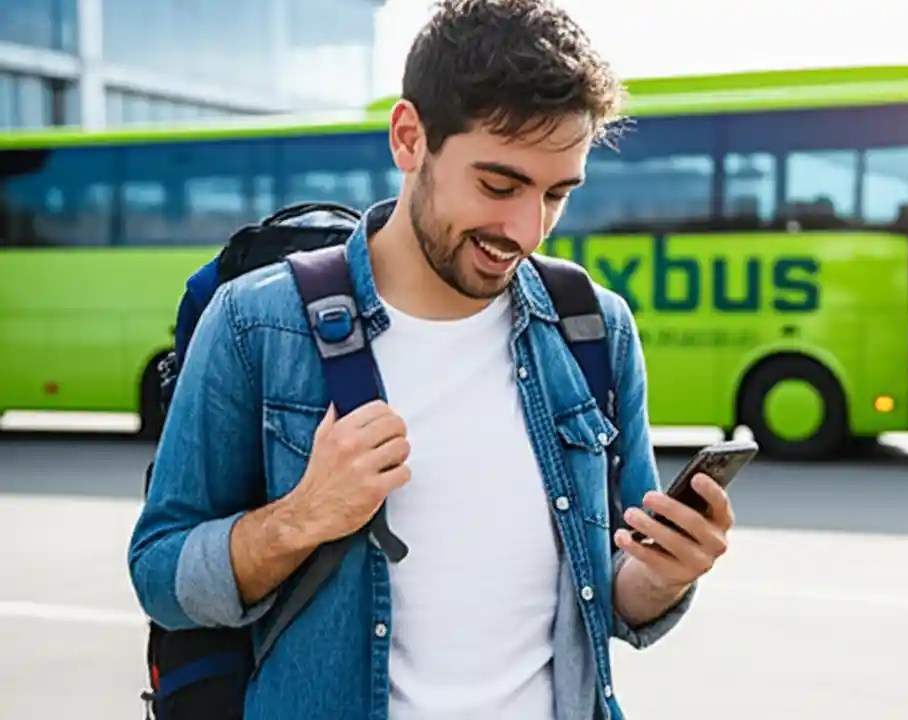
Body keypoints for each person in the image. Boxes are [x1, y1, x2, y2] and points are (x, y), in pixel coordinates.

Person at [126, 1, 736, 718]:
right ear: (410, 137)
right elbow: (160, 571)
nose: (525, 230)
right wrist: (300, 518)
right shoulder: (258, 324)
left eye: (557, 194)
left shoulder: (593, 328)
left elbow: (612, 596)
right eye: (499, 186)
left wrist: (665, 575)